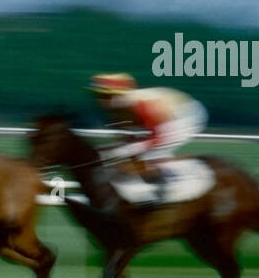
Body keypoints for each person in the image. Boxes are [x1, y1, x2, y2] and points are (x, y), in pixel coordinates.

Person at [88, 72, 208, 205]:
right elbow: (126, 139)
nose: (101, 100)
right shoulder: (116, 108)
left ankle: (172, 184)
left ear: (119, 95)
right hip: (164, 117)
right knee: (130, 153)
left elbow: (158, 137)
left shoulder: (143, 106)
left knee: (152, 154)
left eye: (105, 96)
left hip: (185, 115)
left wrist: (129, 149)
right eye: (98, 96)